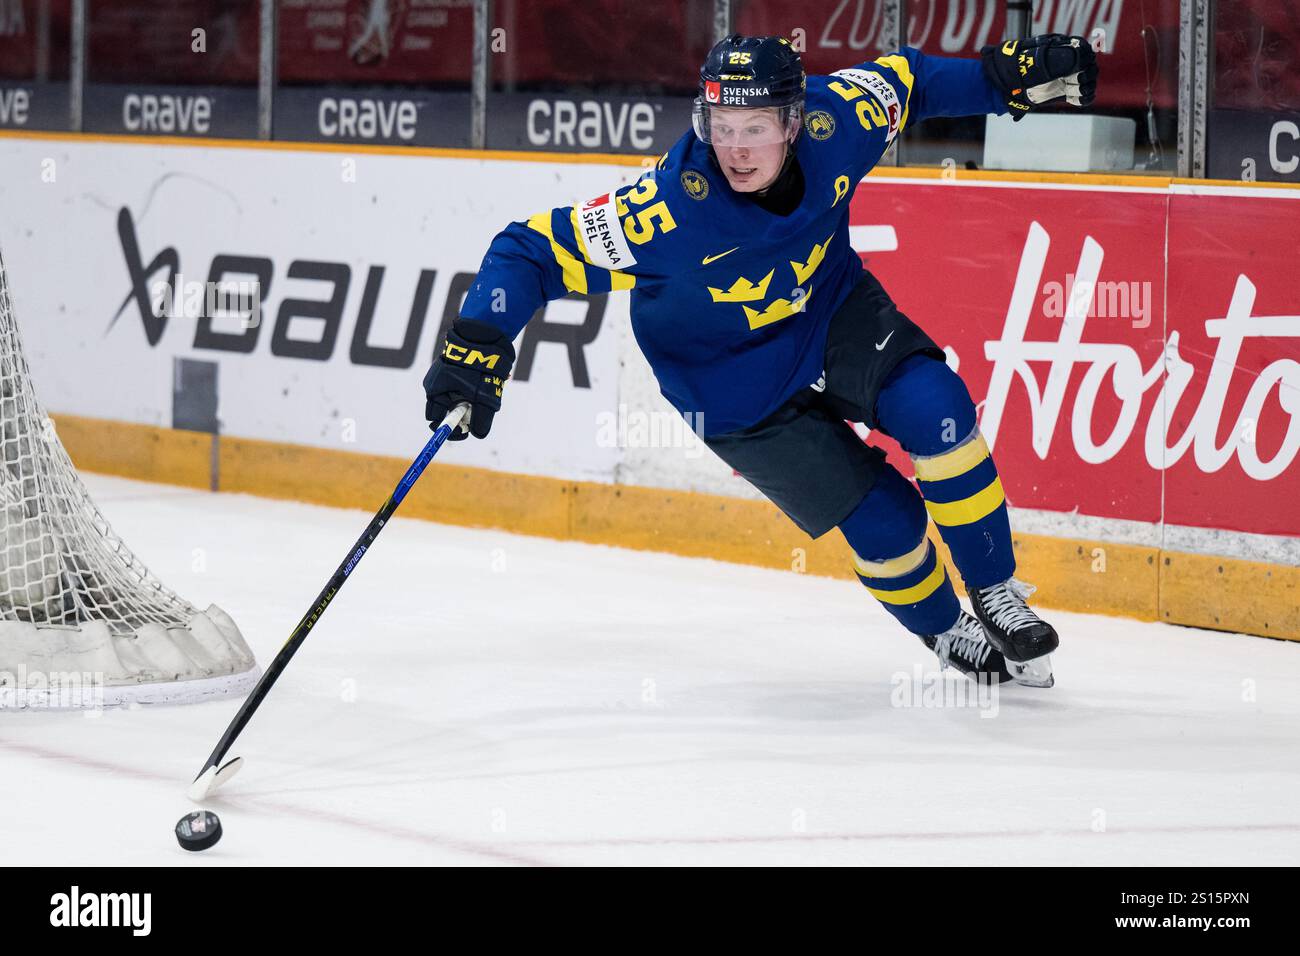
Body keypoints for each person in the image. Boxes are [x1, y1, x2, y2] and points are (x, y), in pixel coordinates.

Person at [422, 34, 1099, 687]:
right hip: (729, 388)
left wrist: (1003, 77)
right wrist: (477, 341)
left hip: (830, 311)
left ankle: (995, 590)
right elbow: (528, 252)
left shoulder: (845, 118)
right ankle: (947, 628)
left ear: (796, 122)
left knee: (937, 409)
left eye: (756, 128)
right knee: (888, 521)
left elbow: (912, 80)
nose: (736, 149)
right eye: (722, 125)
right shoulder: (659, 214)